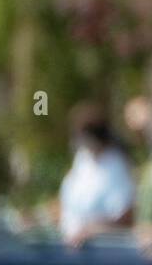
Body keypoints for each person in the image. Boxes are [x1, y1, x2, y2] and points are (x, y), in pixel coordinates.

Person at [58, 102, 135, 246]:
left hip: (101, 253)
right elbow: (69, 207)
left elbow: (126, 219)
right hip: (69, 248)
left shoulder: (116, 167)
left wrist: (93, 231)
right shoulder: (82, 159)